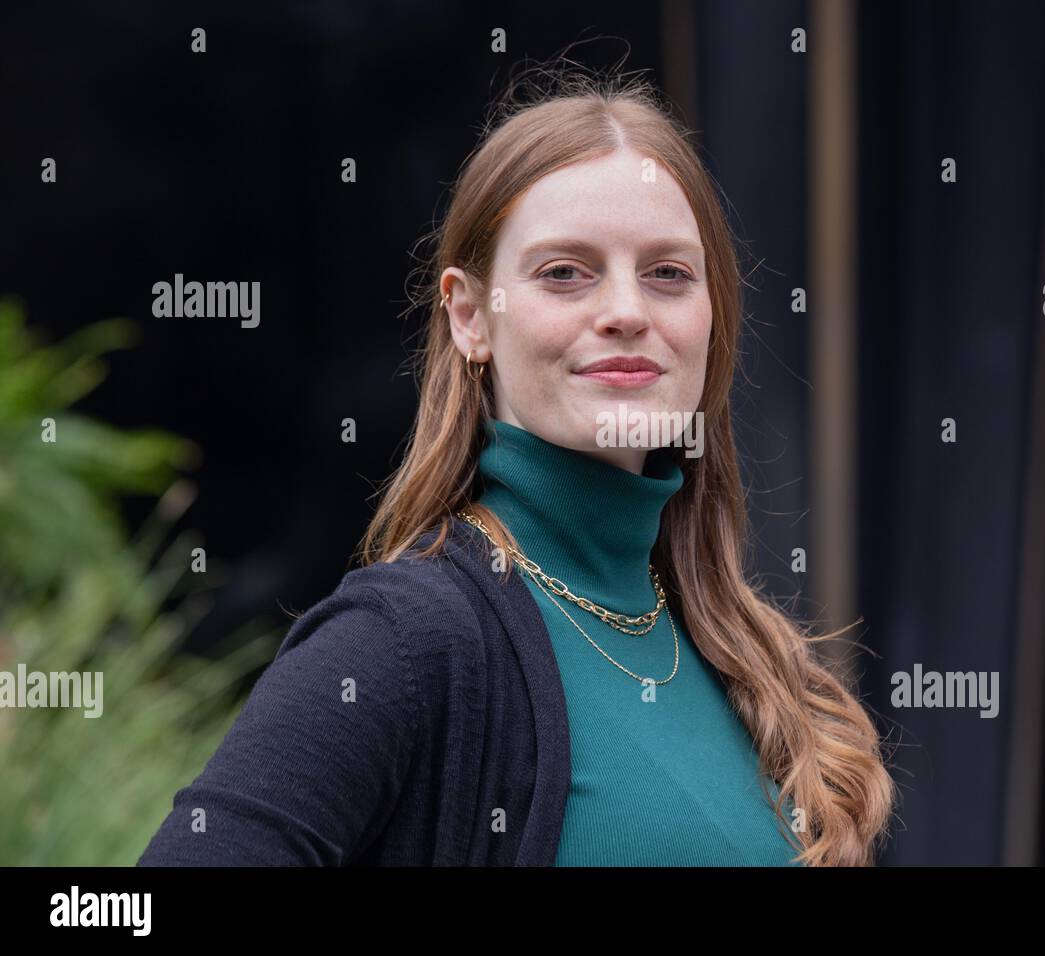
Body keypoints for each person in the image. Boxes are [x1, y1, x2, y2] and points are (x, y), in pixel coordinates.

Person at [138, 67, 896, 868]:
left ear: (712, 318)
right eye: (564, 272)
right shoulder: (405, 641)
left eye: (669, 273)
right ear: (470, 317)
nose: (627, 312)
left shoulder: (750, 657)